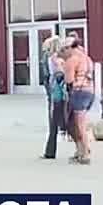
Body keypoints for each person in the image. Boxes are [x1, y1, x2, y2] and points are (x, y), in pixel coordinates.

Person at [62, 36, 95, 165]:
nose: (65, 52)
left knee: (79, 125)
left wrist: (64, 69)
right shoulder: (87, 58)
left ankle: (85, 152)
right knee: (78, 123)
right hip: (90, 91)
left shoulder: (72, 60)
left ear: (70, 48)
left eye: (65, 49)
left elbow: (68, 80)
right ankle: (81, 150)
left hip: (78, 92)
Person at [41, 35, 67, 160]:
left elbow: (47, 74)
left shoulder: (51, 58)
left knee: (53, 119)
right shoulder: (65, 57)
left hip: (55, 89)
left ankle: (50, 151)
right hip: (63, 89)